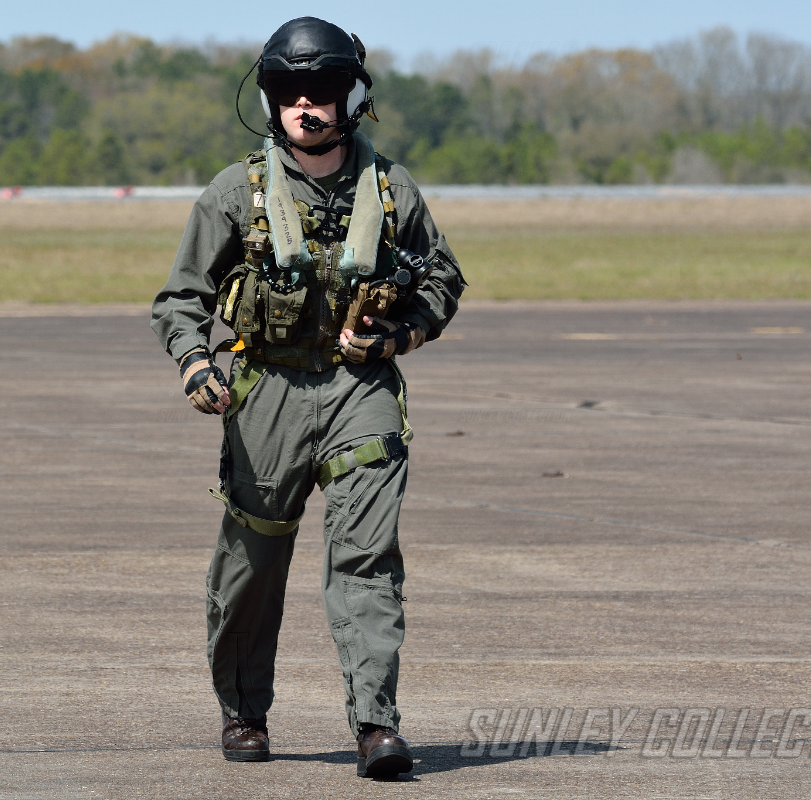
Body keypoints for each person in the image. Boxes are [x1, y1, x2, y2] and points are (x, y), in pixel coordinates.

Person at [150, 16, 463, 779]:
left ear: (350, 96)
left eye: (321, 90)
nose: (306, 106)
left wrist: (396, 339)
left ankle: (375, 725)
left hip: (361, 393)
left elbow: (443, 280)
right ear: (270, 101)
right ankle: (244, 709)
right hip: (267, 394)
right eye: (290, 92)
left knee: (365, 558)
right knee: (252, 565)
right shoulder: (236, 193)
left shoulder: (390, 192)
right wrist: (197, 364)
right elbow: (180, 297)